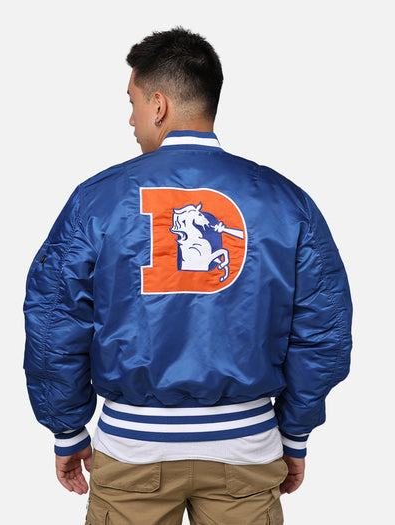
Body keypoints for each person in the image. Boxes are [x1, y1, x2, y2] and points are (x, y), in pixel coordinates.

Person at [23, 27, 352, 525]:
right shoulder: (287, 201)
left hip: (132, 455)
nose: (130, 119)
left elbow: (53, 320)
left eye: (133, 102)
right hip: (247, 455)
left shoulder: (96, 200)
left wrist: (67, 429)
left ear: (158, 105)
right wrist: (295, 431)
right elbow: (324, 328)